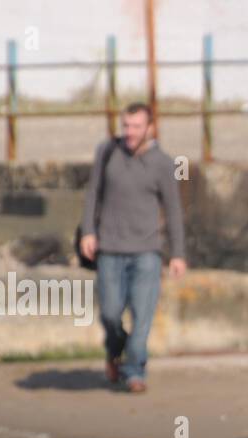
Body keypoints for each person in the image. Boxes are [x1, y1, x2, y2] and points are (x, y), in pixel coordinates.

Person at [79, 102, 186, 394]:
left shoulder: (164, 163)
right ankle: (115, 351)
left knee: (143, 316)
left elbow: (174, 210)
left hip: (147, 252)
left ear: (150, 128)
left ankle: (135, 371)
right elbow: (93, 194)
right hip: (109, 249)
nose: (129, 132)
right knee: (110, 314)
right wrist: (88, 231)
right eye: (126, 125)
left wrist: (177, 253)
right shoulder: (107, 152)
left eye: (136, 126)